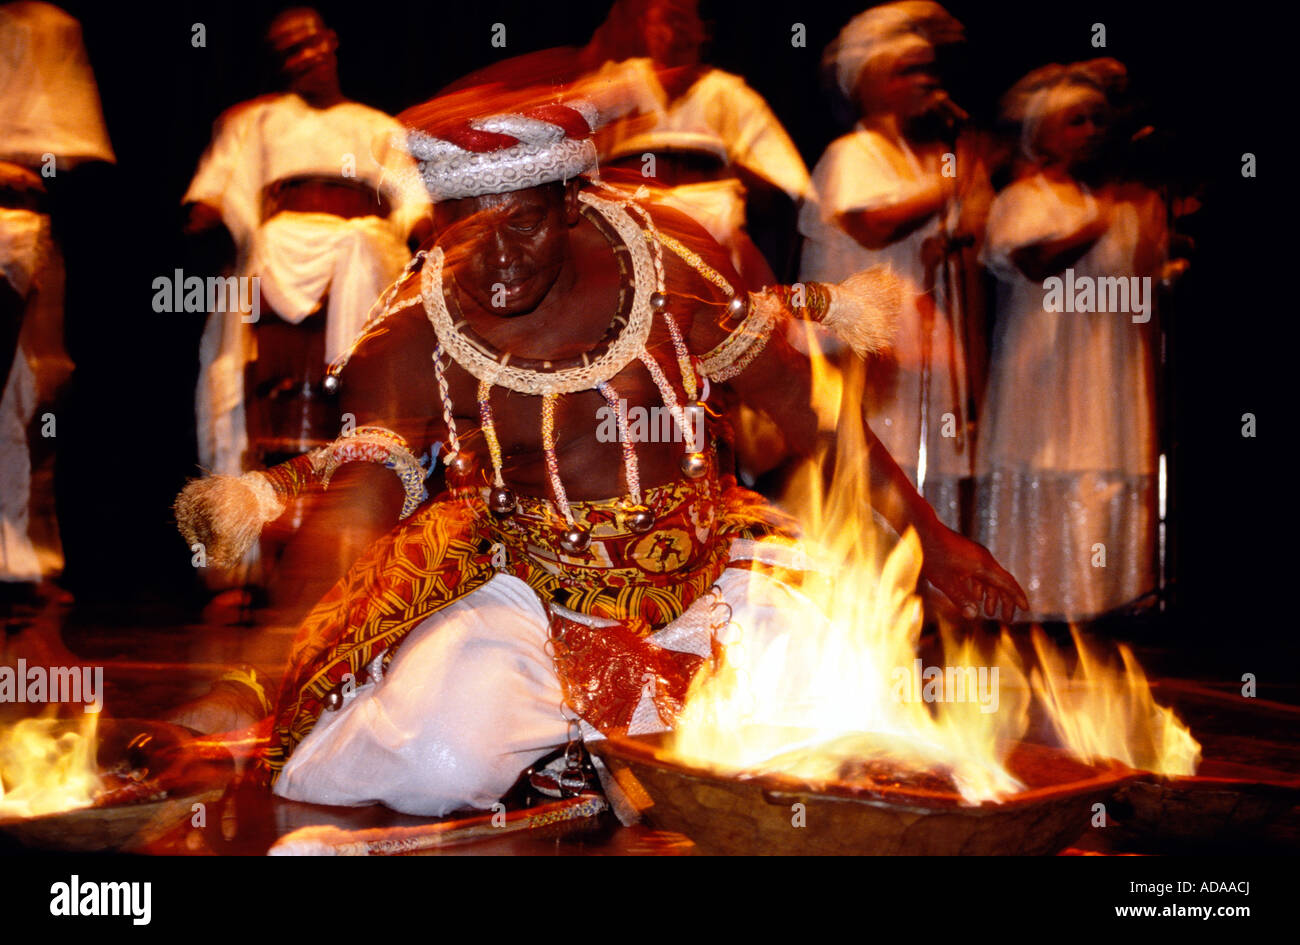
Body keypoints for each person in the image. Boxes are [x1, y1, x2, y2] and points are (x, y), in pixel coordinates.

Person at [172, 90, 1026, 817]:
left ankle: (593, 753)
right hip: (530, 587)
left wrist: (936, 538)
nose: (497, 262)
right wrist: (251, 676)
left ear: (572, 203)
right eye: (465, 234)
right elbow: (356, 505)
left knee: (839, 726)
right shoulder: (411, 329)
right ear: (431, 223)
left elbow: (806, 413)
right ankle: (585, 751)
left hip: (707, 572)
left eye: (524, 226)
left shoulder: (671, 261)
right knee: (437, 762)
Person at [974, 60, 1173, 622]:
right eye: (1075, 121)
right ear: (1042, 135)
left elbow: (1143, 282)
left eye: (1095, 122)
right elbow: (1035, 260)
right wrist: (1103, 217)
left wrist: (1141, 213)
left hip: (1108, 369)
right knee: (1052, 466)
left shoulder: (1123, 200)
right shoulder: (1024, 197)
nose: (1089, 132)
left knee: (1107, 471)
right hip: (1048, 373)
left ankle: (1113, 605)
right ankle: (1037, 604)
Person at [798, 2, 988, 532]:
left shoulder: (918, 158)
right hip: (863, 353)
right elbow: (875, 227)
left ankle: (930, 606)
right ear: (870, 83)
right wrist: (954, 181)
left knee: (925, 480)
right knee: (873, 484)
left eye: (930, 69)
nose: (927, 81)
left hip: (913, 348)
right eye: (909, 70)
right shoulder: (851, 152)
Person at [0, 1, 115, 589]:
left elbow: (59, 154)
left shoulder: (46, 27)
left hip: (20, 229)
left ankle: (22, 555)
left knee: (35, 383)